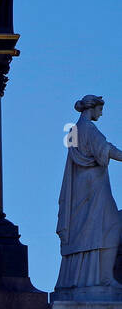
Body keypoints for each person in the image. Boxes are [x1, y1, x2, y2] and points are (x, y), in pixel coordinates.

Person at [56, 95, 122, 293]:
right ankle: (105, 278)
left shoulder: (74, 130)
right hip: (93, 185)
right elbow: (106, 149)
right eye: (100, 110)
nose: (101, 114)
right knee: (110, 226)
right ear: (92, 108)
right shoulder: (88, 128)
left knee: (85, 229)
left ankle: (88, 277)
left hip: (81, 185)